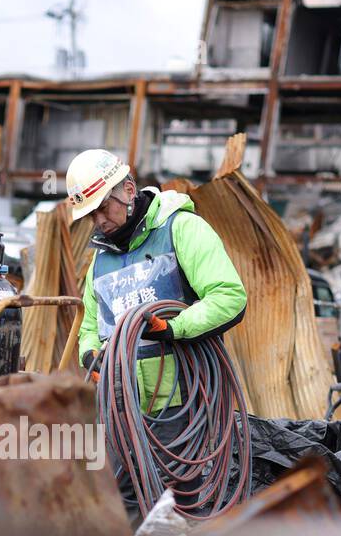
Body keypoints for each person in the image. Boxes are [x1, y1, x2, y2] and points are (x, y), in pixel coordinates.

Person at [66, 148, 247, 511]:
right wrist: (90, 353)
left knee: (179, 504)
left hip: (178, 407)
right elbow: (89, 325)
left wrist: (174, 328)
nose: (99, 221)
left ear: (129, 191)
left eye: (104, 208)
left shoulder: (182, 229)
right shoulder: (100, 260)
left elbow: (230, 297)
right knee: (122, 503)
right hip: (122, 407)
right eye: (91, 215)